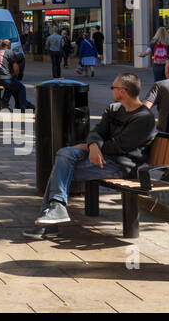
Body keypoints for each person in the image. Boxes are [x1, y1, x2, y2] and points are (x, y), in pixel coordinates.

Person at [32, 73, 156, 229]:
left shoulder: (144, 118)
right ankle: (56, 210)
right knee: (64, 153)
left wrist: (88, 146)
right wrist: (93, 146)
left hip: (120, 165)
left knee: (60, 170)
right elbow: (97, 132)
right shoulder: (114, 109)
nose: (112, 90)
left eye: (113, 88)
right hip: (99, 155)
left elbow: (119, 146)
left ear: (122, 91)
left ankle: (48, 222)